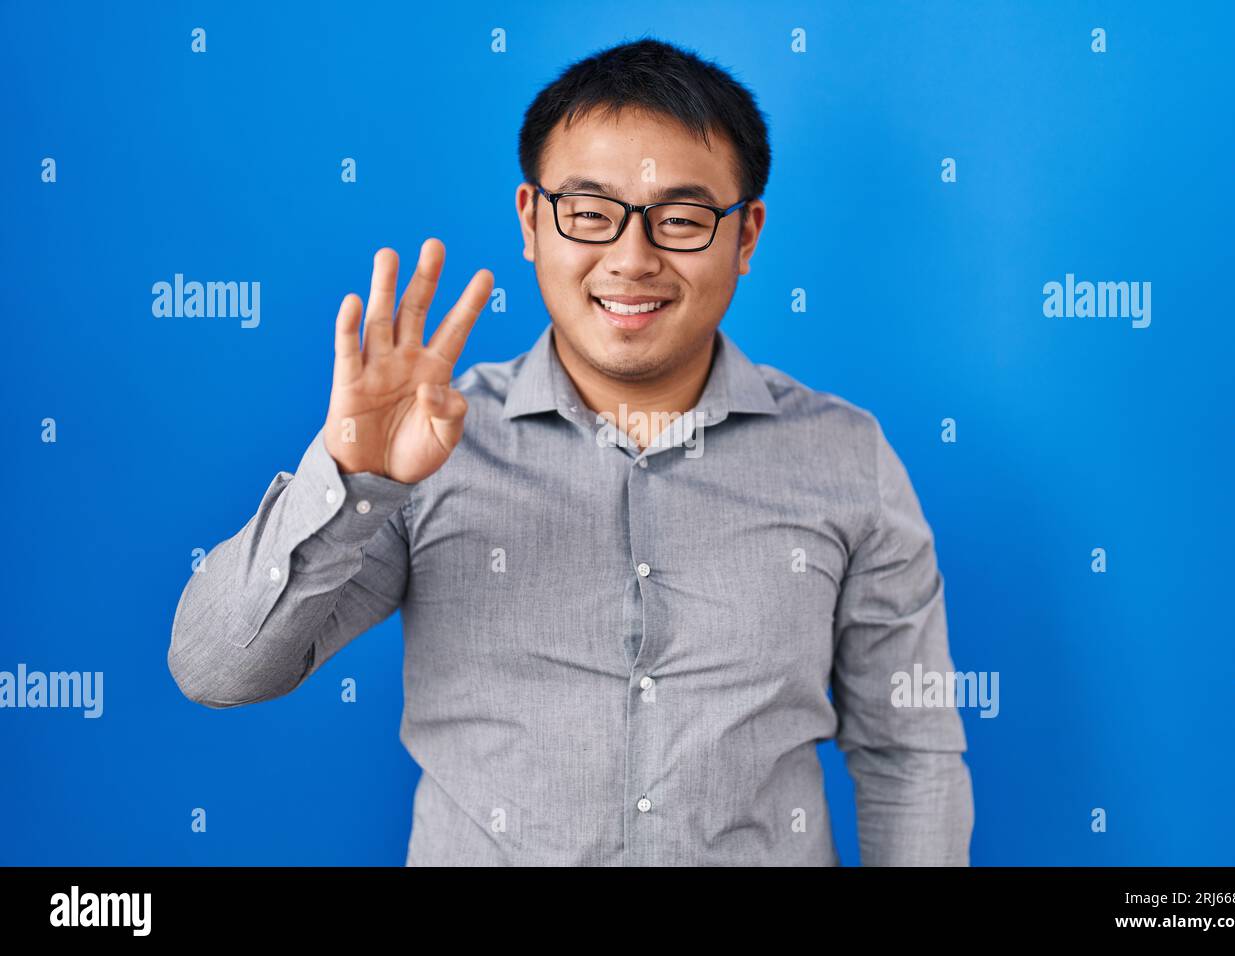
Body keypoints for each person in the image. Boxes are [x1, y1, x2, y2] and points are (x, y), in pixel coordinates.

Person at [167, 37, 974, 866]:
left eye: (683, 220)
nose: (632, 259)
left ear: (746, 235)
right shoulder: (432, 444)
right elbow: (217, 671)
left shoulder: (845, 456)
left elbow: (909, 755)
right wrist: (350, 475)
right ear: (531, 221)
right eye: (590, 213)